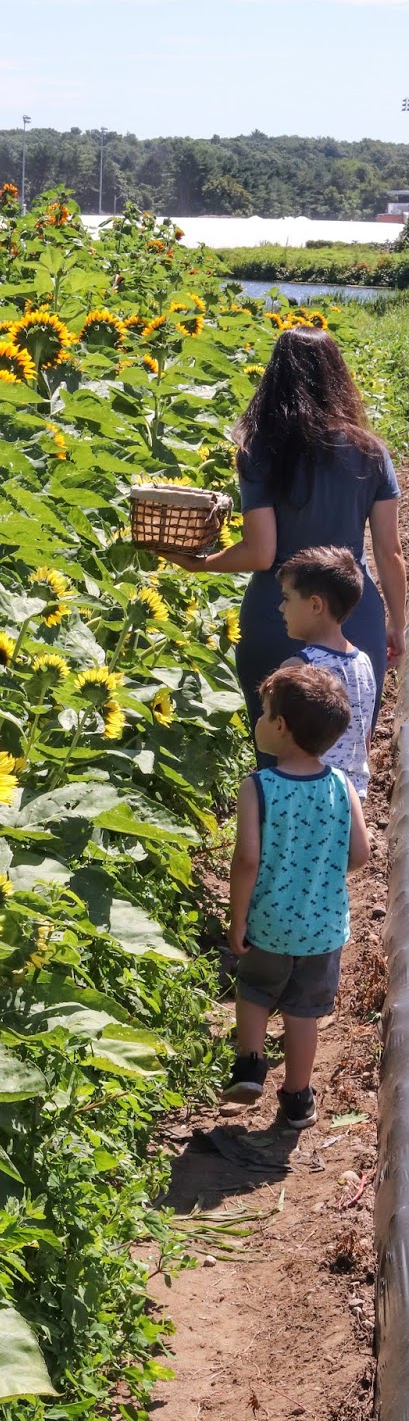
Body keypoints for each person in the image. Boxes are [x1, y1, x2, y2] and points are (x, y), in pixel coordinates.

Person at [178, 326, 405, 752]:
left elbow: (262, 553)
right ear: (338, 377)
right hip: (352, 615)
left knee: (276, 755)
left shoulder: (260, 451)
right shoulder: (371, 451)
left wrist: (202, 562)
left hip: (277, 616)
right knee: (346, 757)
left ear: (274, 377)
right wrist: (398, 624)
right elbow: (390, 553)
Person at [223, 663, 370, 1129]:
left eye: (264, 714)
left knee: (255, 990)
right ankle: (298, 1097)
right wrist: (325, 873)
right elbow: (361, 853)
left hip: (268, 921)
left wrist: (237, 918)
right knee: (305, 1011)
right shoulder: (342, 785)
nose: (259, 721)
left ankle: (249, 1067)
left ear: (281, 727)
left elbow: (246, 861)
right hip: (323, 927)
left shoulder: (259, 787)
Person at [275, 545, 375, 799]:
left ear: (316, 605)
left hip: (305, 792)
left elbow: (280, 737)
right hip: (351, 791)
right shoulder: (364, 662)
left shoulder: (297, 668)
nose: (281, 608)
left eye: (287, 598)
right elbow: (364, 737)